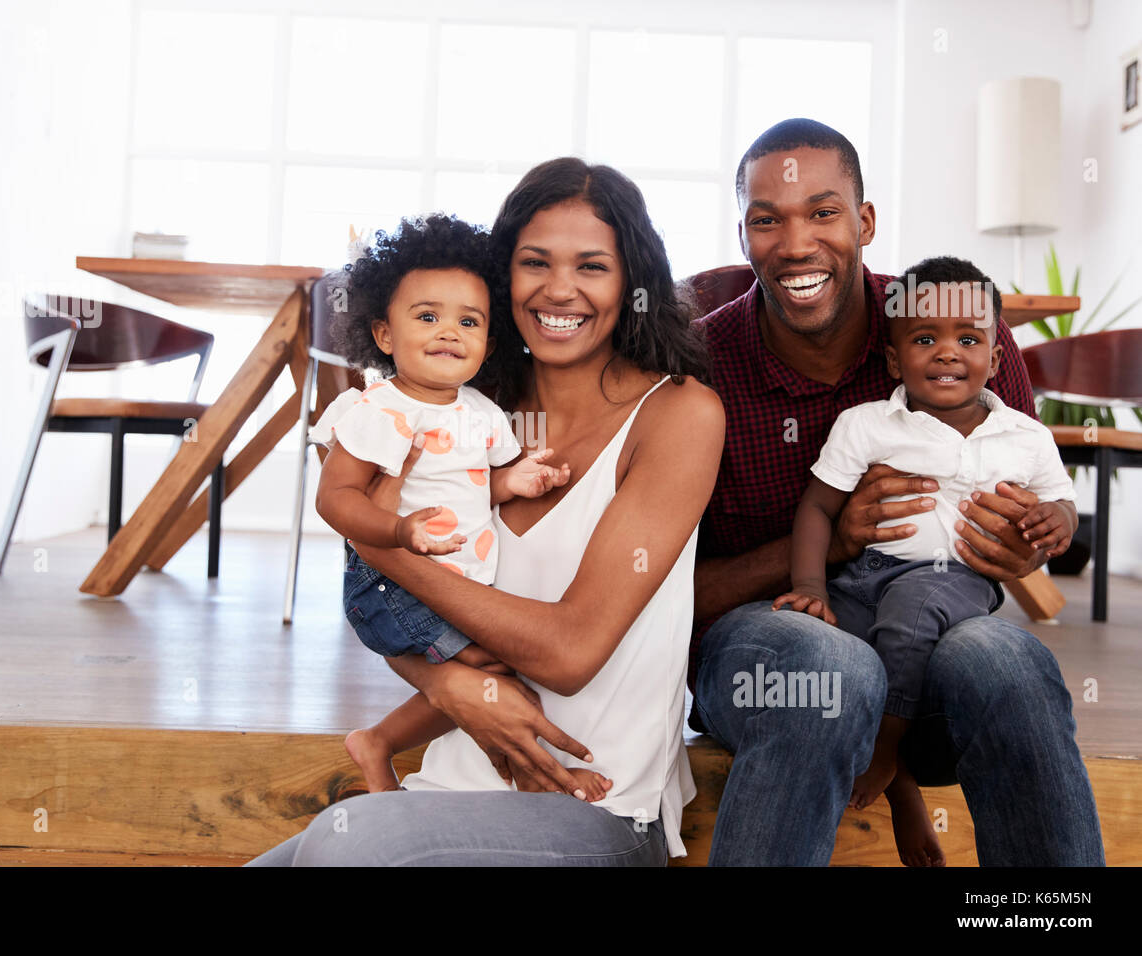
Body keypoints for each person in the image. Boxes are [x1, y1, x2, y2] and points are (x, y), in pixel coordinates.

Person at [247, 157, 723, 866]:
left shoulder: (678, 415)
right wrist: (444, 681)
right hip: (448, 786)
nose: (560, 289)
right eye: (535, 262)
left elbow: (568, 653)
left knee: (343, 854)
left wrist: (385, 547)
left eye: (592, 266)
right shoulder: (464, 409)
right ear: (503, 277)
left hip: (595, 807)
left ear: (633, 283)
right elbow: (386, 604)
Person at [691, 117, 1105, 866]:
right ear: (742, 234)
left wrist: (1014, 542)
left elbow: (1010, 534)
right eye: (766, 220)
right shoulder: (701, 363)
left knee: (1007, 661)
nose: (795, 244)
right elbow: (651, 592)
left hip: (929, 648)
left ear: (865, 221)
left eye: (823, 212)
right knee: (829, 671)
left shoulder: (953, 328)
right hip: (755, 652)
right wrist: (829, 542)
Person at [771, 255, 1078, 866]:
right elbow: (816, 509)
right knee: (835, 649)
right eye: (924, 338)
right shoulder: (866, 425)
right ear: (893, 360)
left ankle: (886, 754)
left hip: (956, 580)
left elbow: (1061, 502)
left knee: (912, 611)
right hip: (863, 579)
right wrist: (812, 587)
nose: (946, 353)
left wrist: (1056, 524)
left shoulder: (1024, 436)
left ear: (995, 359)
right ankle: (904, 787)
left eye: (968, 339)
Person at [309, 213, 606, 801]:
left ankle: (376, 742)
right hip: (391, 587)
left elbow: (469, 486)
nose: (449, 332)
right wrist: (397, 529)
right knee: (499, 672)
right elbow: (333, 497)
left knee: (495, 673)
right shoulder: (380, 409)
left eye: (468, 321)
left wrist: (515, 482)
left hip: (446, 582)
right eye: (427, 317)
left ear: (487, 344)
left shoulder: (479, 412)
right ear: (384, 334)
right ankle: (535, 775)